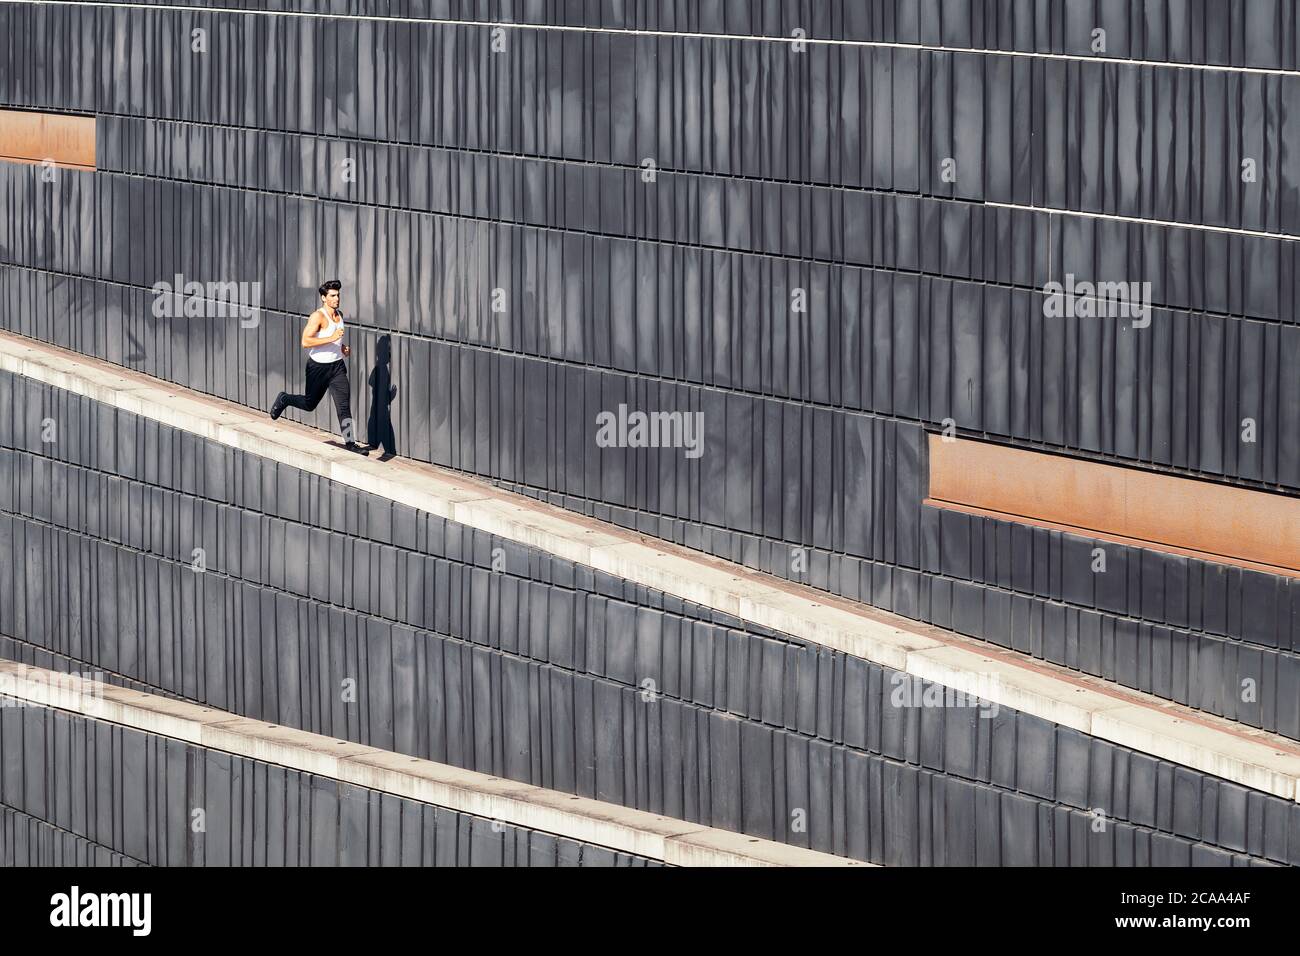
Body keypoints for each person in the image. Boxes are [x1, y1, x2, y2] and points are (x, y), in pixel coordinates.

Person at [270, 279, 368, 455]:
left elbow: (335, 341)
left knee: (343, 406)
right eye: (332, 296)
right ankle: (285, 399)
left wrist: (342, 348)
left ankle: (351, 443)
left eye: (338, 295)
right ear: (324, 297)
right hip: (318, 368)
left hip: (337, 368)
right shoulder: (318, 316)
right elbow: (306, 341)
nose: (337, 298)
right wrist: (332, 338)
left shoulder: (339, 315)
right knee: (309, 404)